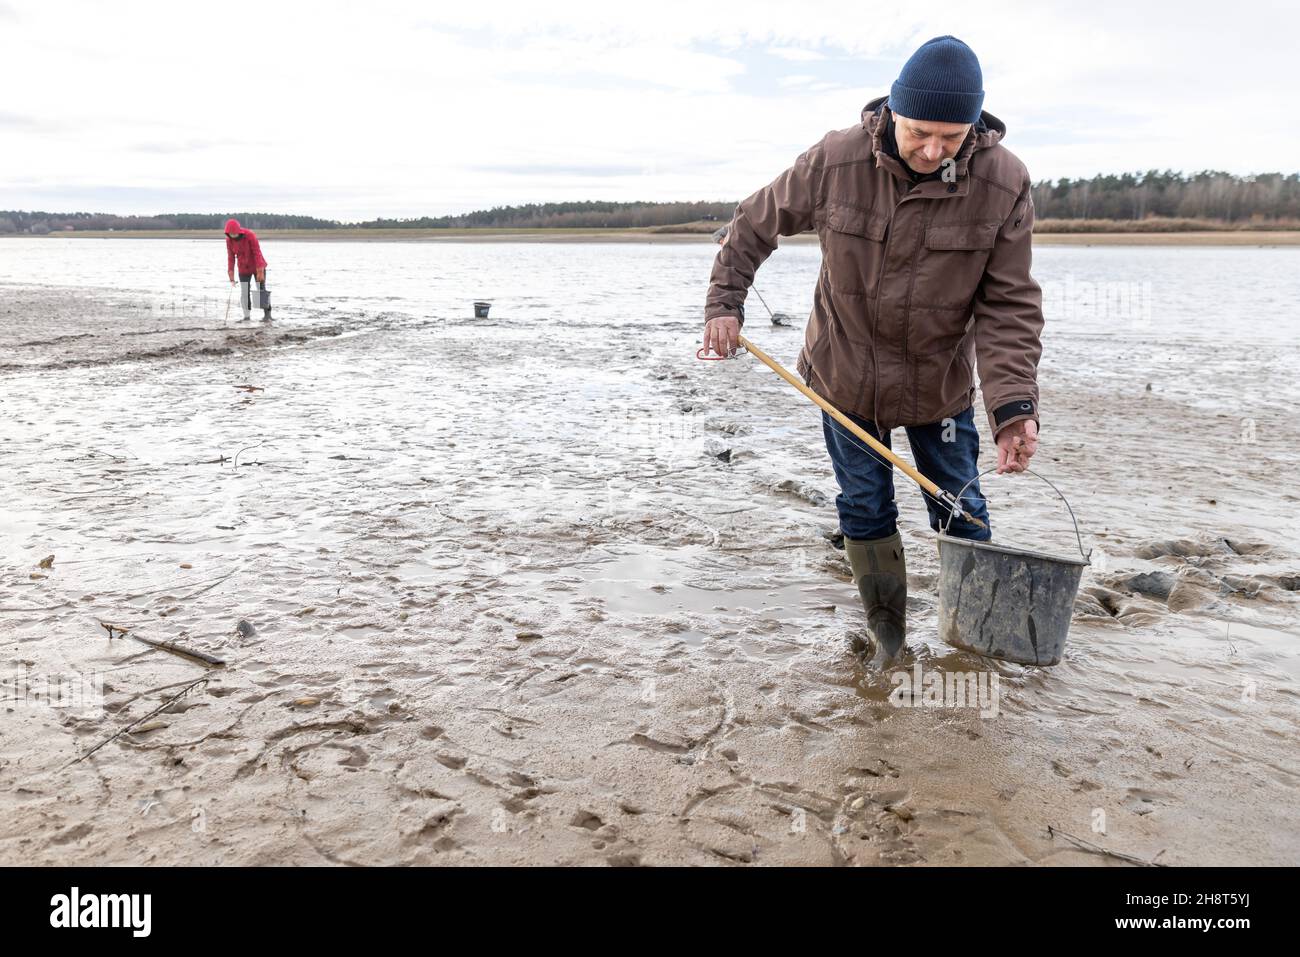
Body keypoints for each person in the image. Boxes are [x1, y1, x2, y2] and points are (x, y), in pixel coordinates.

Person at [702, 36, 1044, 660]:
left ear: (976, 128)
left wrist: (1014, 408)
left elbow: (1010, 305)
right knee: (864, 504)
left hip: (938, 385)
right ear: (893, 112)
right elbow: (752, 224)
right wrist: (725, 305)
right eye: (920, 133)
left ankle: (974, 636)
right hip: (845, 374)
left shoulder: (1005, 182)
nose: (934, 151)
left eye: (951, 136)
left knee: (961, 510)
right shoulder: (836, 159)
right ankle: (888, 637)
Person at [224, 217, 271, 321]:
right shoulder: (229, 240)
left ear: (238, 231)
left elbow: (257, 253)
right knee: (244, 292)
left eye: (234, 234)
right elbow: (230, 258)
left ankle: (267, 315)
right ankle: (246, 317)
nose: (233, 236)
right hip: (243, 268)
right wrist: (231, 276)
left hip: (257, 266)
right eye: (230, 234)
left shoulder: (250, 235)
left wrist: (260, 271)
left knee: (261, 290)